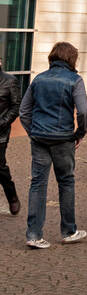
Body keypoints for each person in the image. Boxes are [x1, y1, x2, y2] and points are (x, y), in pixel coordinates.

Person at [18, 41, 87, 248]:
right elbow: (83, 111)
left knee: (37, 184)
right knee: (66, 183)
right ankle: (68, 231)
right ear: (71, 58)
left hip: (39, 138)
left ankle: (33, 235)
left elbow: (24, 111)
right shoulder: (75, 80)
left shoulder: (38, 79)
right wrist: (79, 134)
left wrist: (33, 131)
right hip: (63, 139)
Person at [0, 59, 21, 215]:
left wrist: (2, 122)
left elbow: (16, 106)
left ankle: (12, 196)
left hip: (0, 132)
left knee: (0, 167)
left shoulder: (10, 81)